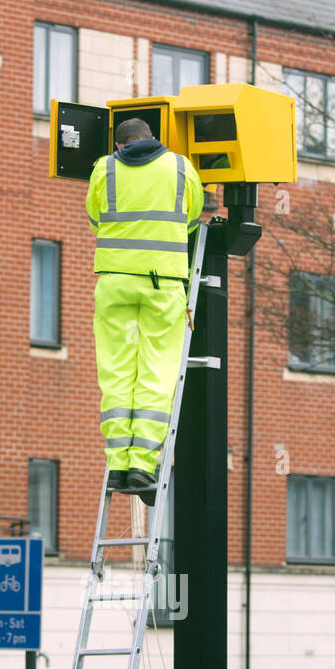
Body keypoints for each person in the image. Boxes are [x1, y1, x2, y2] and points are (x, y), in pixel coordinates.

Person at [86, 117, 205, 503]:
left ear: (119, 145)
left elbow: (95, 218)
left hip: (115, 282)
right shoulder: (182, 167)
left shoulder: (103, 169)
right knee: (157, 369)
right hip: (163, 284)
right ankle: (141, 464)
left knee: (117, 370)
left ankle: (118, 464)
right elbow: (192, 216)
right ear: (153, 139)